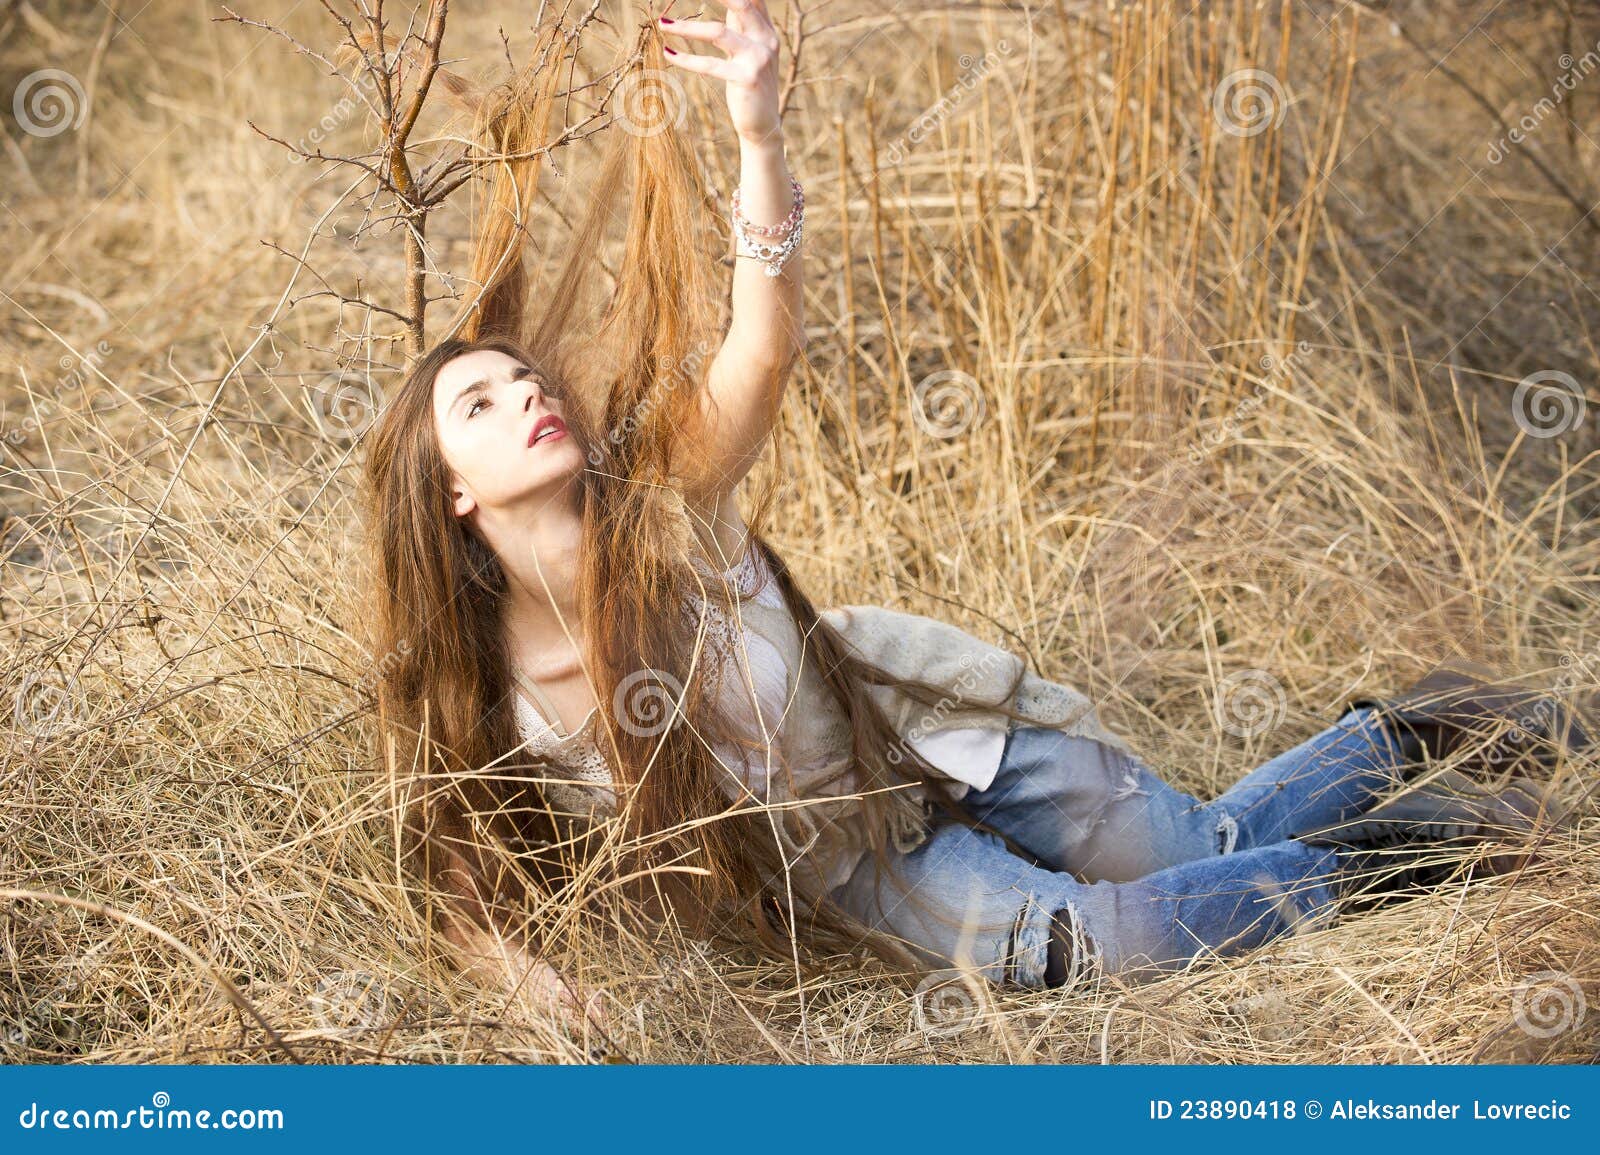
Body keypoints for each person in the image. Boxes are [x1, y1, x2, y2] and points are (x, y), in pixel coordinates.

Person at [358, 1, 1590, 1043]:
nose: (526, 395)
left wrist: (756, 129)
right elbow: (459, 877)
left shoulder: (660, 500)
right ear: (448, 490)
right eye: (481, 400)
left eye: (526, 379)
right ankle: (1422, 854)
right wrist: (539, 996)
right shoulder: (485, 690)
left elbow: (761, 343)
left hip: (935, 723)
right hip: (868, 866)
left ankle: (1411, 727)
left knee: (1197, 843)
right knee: (1132, 935)